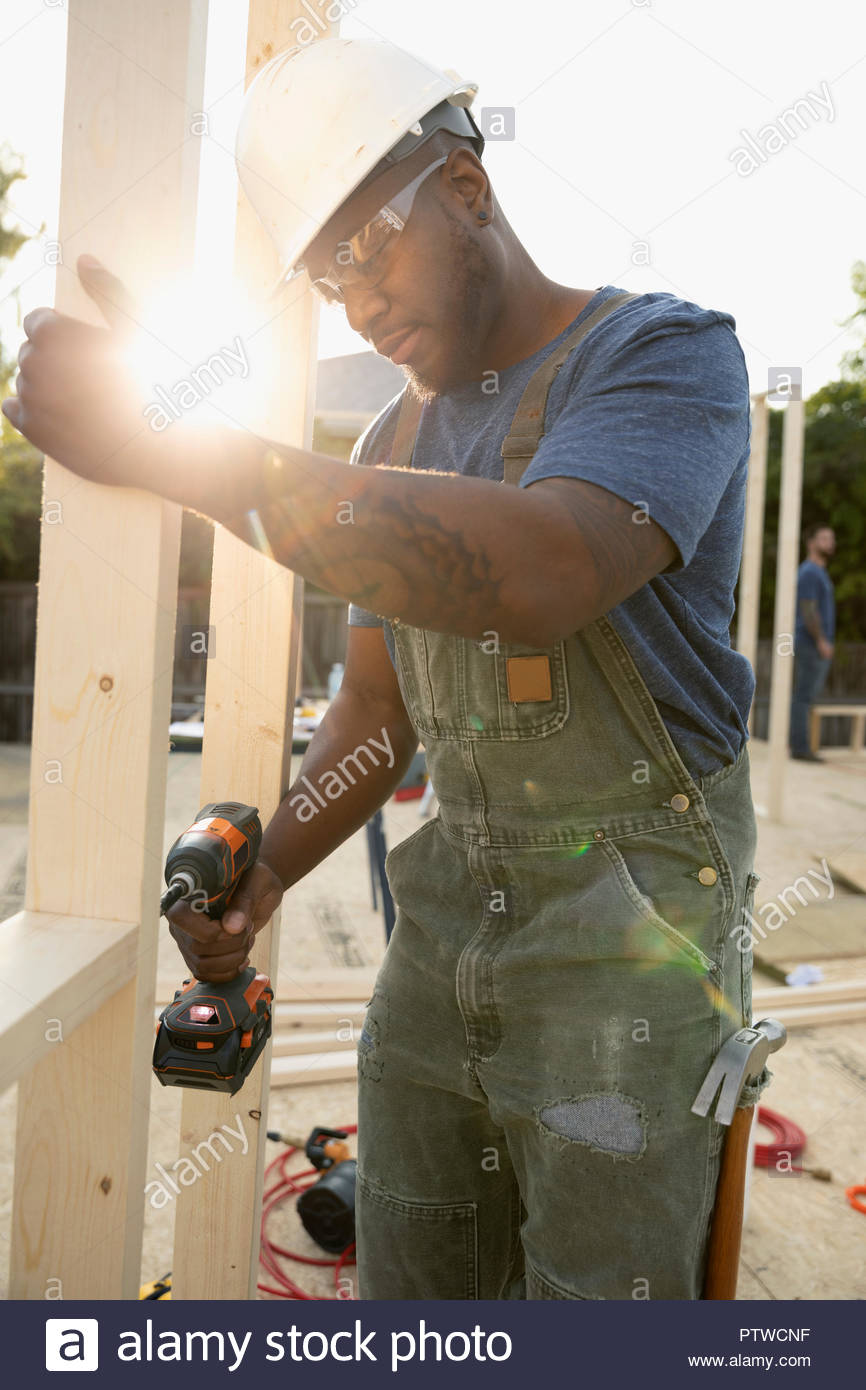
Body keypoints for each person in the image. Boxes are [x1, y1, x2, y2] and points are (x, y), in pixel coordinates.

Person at [2, 37, 771, 1300]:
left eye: (367, 248)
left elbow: (543, 572)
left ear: (465, 186)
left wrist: (182, 450)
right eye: (324, 278)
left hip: (629, 951)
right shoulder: (392, 431)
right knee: (414, 1303)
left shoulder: (664, 356)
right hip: (439, 941)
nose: (355, 303)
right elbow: (376, 706)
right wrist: (266, 881)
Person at [790, 524, 836, 761]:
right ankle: (800, 748)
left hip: (815, 643)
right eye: (824, 538)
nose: (830, 543)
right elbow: (808, 609)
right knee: (803, 696)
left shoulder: (819, 572)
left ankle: (800, 746)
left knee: (806, 695)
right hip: (810, 644)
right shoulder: (809, 572)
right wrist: (821, 641)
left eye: (832, 539)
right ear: (811, 544)